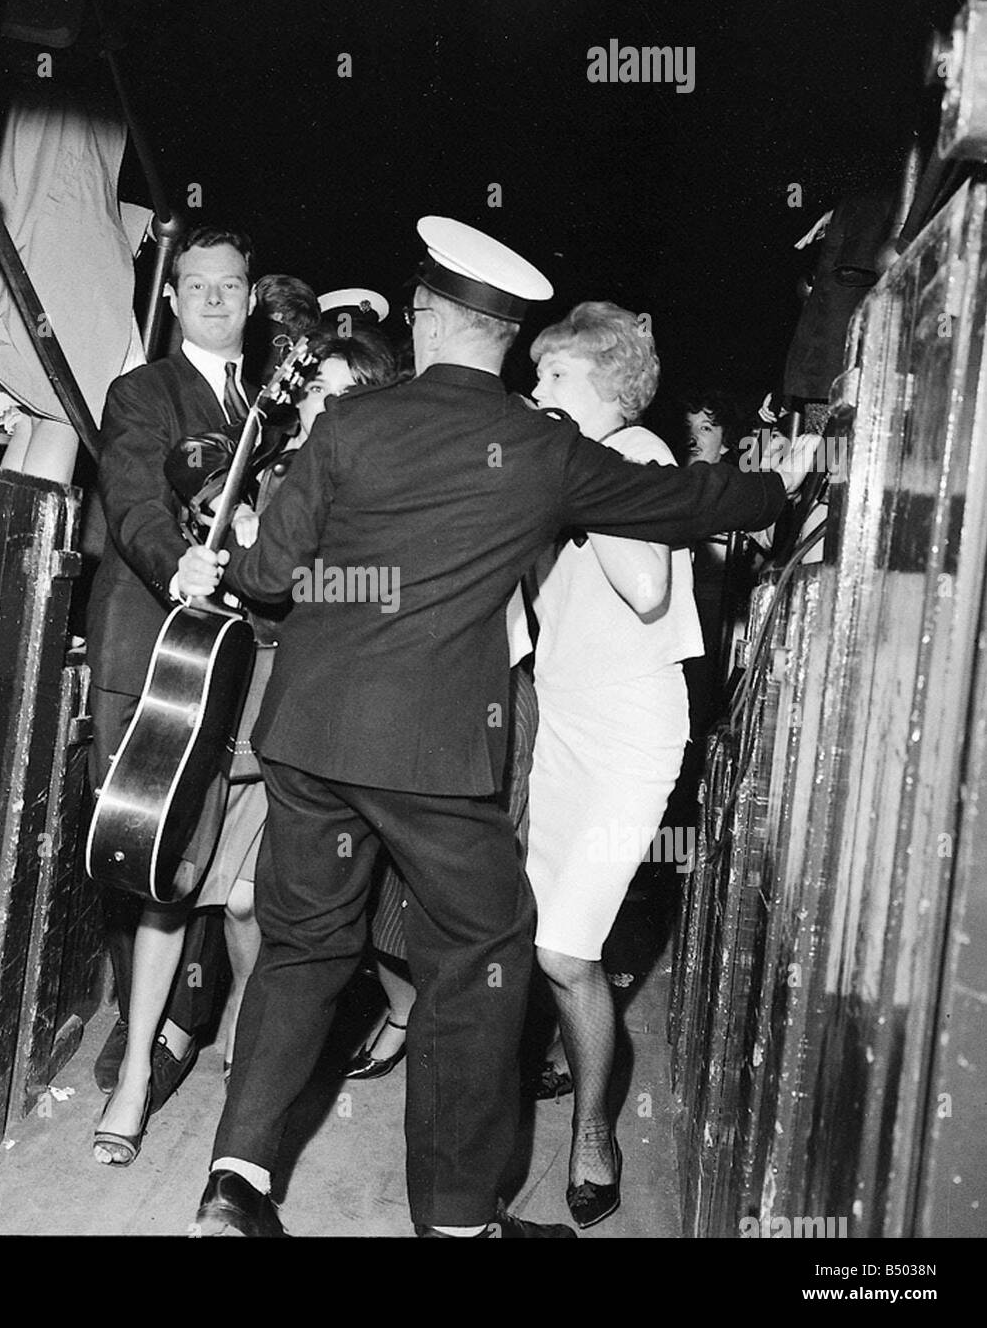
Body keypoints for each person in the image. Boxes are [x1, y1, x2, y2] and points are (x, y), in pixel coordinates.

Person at [177, 216, 809, 1239]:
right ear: (508, 339)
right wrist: (788, 483)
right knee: (480, 955)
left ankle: (233, 1185)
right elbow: (687, 502)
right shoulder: (541, 449)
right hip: (434, 752)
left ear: (423, 316)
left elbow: (265, 580)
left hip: (311, 737)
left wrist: (226, 564)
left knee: (300, 949)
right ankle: (460, 1220)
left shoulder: (346, 427)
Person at [520, 302, 703, 1229]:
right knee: (550, 937)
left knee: (564, 946)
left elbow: (646, 587)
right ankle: (575, 1058)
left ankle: (596, 1132)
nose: (536, 388)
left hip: (630, 735)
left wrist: (572, 488)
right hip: (564, 727)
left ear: (603, 387)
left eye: (555, 377)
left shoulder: (637, 458)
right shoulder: (567, 470)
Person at [85, 224, 266, 1165]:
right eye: (195, 285)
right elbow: (133, 501)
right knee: (140, 840)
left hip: (240, 655)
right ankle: (138, 1032)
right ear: (173, 297)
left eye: (229, 286)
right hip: (150, 640)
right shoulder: (142, 393)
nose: (211, 299)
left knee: (221, 855)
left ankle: (190, 1019)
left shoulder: (272, 409)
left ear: (249, 295)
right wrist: (178, 566)